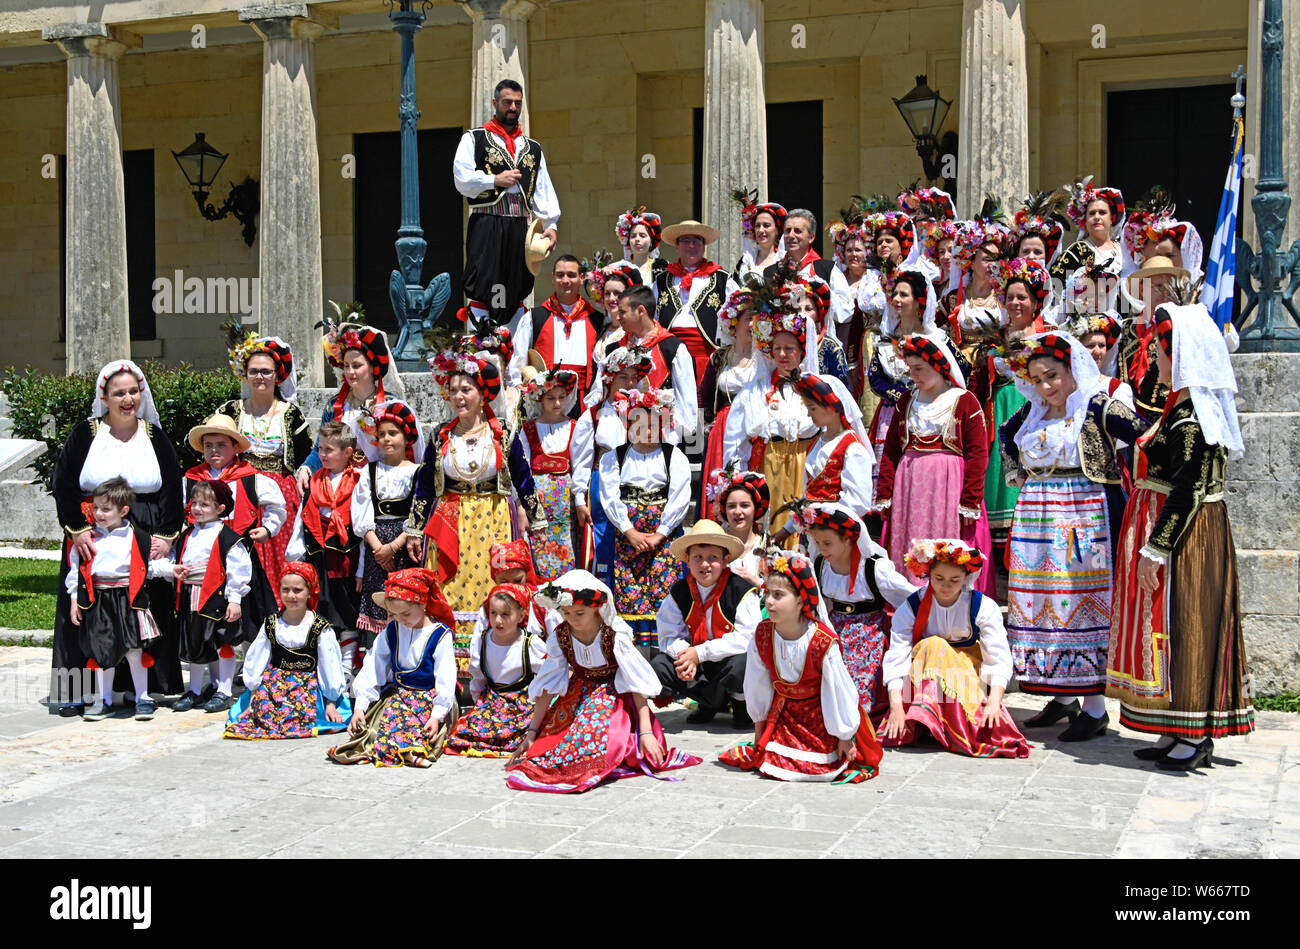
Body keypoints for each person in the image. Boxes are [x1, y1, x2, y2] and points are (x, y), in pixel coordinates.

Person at [1106, 304, 1255, 770]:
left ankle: (1194, 732)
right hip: (1185, 530)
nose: (1156, 363)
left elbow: (1189, 487)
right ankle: (1176, 725)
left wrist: (1156, 547)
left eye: (1162, 354)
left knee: (1188, 621)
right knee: (1171, 622)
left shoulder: (1191, 417)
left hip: (1190, 535)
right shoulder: (1182, 407)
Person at [1001, 333, 1149, 740]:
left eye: (1052, 376)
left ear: (1072, 370)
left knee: (1083, 601)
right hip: (1038, 517)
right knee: (1045, 600)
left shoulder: (1097, 404)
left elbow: (1143, 432)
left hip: (1084, 515)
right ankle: (1062, 696)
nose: (1046, 387)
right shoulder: (1031, 414)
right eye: (1037, 379)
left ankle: (1095, 706)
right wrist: (1017, 474)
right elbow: (1006, 437)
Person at [51, 361, 185, 713]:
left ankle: (143, 691)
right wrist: (77, 530)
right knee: (84, 608)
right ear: (105, 397)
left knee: (143, 611)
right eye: (119, 393)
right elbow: (63, 484)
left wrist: (167, 538)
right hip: (92, 529)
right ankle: (77, 691)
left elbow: (172, 489)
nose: (127, 399)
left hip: (144, 531)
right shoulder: (86, 434)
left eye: (132, 391)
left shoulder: (155, 436)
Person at [407, 345, 541, 679]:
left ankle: (492, 667)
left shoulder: (501, 433)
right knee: (448, 588)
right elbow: (424, 483)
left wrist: (535, 520)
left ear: (482, 393)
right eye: (453, 390)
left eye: (466, 389)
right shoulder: (440, 436)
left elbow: (523, 477)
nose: (459, 396)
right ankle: (450, 669)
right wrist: (414, 528)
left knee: (491, 589)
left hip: (492, 520)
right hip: (450, 520)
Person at [506, 570, 702, 792]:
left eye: (579, 613)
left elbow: (635, 683)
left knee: (597, 739)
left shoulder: (615, 634)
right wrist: (532, 734)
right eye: (567, 613)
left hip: (614, 695)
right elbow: (548, 687)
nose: (572, 619)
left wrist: (645, 732)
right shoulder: (561, 636)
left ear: (597, 610)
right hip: (577, 695)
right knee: (553, 745)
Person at [718, 549, 884, 783]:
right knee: (770, 763)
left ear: (800, 600)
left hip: (822, 715)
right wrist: (759, 728)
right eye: (767, 594)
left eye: (778, 595)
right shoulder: (763, 634)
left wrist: (844, 735)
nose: (769, 602)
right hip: (783, 714)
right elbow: (757, 684)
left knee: (817, 768)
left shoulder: (822, 641)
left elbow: (838, 691)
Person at [880, 538, 1030, 757]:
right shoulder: (912, 605)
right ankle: (923, 720)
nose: (946, 586)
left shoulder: (982, 606)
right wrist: (896, 707)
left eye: (955, 580)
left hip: (968, 674)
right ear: (927, 575)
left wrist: (995, 701)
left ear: (966, 578)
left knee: (939, 649)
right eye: (938, 578)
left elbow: (998, 656)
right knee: (933, 646)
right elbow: (897, 655)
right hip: (926, 670)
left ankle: (954, 725)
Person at [875, 335, 996, 598]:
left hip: (948, 487)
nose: (913, 375)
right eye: (910, 369)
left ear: (939, 366)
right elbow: (892, 452)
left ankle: (950, 603)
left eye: (919, 369)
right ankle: (911, 605)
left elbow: (978, 453)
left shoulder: (963, 401)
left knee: (948, 545)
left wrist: (970, 500)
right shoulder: (907, 401)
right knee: (909, 546)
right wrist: (885, 493)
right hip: (910, 488)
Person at [721, 263, 821, 545]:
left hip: (806, 470)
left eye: (789, 349)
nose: (782, 354)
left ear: (802, 351)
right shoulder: (754, 391)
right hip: (769, 471)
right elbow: (735, 443)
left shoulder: (819, 389)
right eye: (777, 348)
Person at [453, 78, 559, 328]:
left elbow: (542, 187)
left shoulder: (533, 148)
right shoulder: (475, 138)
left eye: (517, 103)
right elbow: (462, 178)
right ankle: (480, 349)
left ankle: (514, 346)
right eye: (507, 102)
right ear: (495, 103)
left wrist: (551, 225)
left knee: (517, 281)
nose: (512, 107)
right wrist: (493, 180)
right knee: (483, 280)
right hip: (487, 221)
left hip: (520, 225)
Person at [328, 568, 459, 767]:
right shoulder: (393, 631)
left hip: (431, 699)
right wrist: (360, 706)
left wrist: (437, 715)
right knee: (383, 722)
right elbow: (373, 666)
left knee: (416, 724)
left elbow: (446, 678)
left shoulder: (440, 635)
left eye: (405, 613)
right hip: (399, 696)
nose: (399, 620)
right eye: (393, 615)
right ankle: (391, 749)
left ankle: (411, 749)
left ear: (422, 603)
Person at [795, 502, 917, 715]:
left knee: (853, 690)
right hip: (834, 630)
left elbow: (909, 597)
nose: (822, 549)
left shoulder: (873, 568)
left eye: (827, 543)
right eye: (817, 542)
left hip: (870, 632)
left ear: (847, 538)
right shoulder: (821, 565)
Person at [217, 330, 313, 600]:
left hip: (281, 495)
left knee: (281, 557)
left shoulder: (291, 414)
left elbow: (307, 454)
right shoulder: (230, 411)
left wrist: (304, 472)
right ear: (244, 374)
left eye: (266, 371)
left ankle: (283, 614)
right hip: (241, 492)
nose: (260, 376)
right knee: (239, 556)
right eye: (254, 370)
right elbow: (212, 448)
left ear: (277, 375)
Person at [598, 388, 691, 648]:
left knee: (664, 588)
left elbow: (680, 496)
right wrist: (629, 531)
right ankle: (634, 653)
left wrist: (661, 533)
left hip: (663, 537)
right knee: (630, 591)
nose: (648, 430)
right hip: (629, 538)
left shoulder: (674, 455)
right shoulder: (614, 457)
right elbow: (609, 497)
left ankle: (666, 652)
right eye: (640, 424)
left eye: (654, 424)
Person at [154, 480, 257, 714]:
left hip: (216, 596)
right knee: (195, 642)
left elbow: (238, 570)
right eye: (195, 503)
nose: (197, 509)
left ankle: (225, 689)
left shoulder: (228, 537)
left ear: (220, 508)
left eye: (205, 505)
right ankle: (196, 690)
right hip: (190, 595)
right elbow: (174, 560)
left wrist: (235, 599)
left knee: (222, 642)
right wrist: (168, 569)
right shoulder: (187, 535)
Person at [65, 478, 162, 721]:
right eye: (96, 507)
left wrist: (172, 571)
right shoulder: (88, 538)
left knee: (133, 650)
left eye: (106, 509)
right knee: (102, 651)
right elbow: (75, 570)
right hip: (98, 601)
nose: (99, 513)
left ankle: (143, 697)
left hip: (128, 599)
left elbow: (148, 567)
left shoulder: (136, 537)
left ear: (124, 510)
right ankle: (104, 700)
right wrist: (75, 598)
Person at [651, 519, 761, 727]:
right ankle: (706, 704)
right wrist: (686, 657)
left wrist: (700, 653)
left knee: (743, 663)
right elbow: (668, 634)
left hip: (726, 660)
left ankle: (741, 706)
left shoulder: (741, 590)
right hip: (697, 661)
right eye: (698, 558)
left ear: (726, 559)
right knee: (661, 666)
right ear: (687, 559)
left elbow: (749, 637)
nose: (705, 564)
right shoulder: (679, 592)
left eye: (713, 558)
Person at [224, 562, 352, 739]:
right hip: (273, 687)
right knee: (260, 717)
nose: (291, 595)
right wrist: (254, 695)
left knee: (302, 717)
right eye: (286, 590)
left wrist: (331, 702)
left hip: (308, 687)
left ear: (310, 591)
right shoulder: (272, 624)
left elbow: (329, 666)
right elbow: (257, 660)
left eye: (297, 590)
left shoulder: (320, 628)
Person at [183, 414, 286, 629]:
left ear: (235, 447)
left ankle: (250, 660)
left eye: (221, 444)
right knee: (205, 621)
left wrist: (268, 529)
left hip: (240, 557)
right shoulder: (191, 479)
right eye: (208, 445)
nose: (214, 450)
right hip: (202, 561)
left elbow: (277, 506)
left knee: (249, 618)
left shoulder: (250, 477)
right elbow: (177, 512)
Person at [982, 257, 1051, 549]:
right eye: (1010, 297)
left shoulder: (1049, 335)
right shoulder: (997, 335)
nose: (1015, 302)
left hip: (1034, 411)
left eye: (1022, 297)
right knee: (999, 471)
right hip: (1001, 410)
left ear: (1035, 301)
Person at [298, 308, 405, 492]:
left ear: (372, 368)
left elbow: (402, 450)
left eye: (357, 366)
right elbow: (320, 448)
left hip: (379, 487)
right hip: (339, 488)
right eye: (346, 366)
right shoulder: (334, 406)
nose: (349, 372)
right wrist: (306, 468)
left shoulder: (389, 404)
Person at [286, 421, 363, 671]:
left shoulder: (359, 481)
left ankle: (347, 666)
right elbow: (302, 518)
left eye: (329, 449)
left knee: (347, 611)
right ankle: (325, 666)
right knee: (324, 610)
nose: (323, 454)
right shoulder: (314, 482)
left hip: (346, 559)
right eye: (320, 449)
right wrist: (295, 555)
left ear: (347, 453)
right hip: (318, 556)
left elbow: (363, 523)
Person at [865, 264, 946, 501]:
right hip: (892, 415)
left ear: (919, 300)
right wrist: (902, 395)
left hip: (929, 412)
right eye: (895, 294)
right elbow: (875, 378)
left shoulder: (938, 339)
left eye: (904, 294)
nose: (897, 299)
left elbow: (958, 371)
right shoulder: (885, 338)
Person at [351, 400, 425, 649]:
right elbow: (361, 514)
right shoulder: (369, 472)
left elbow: (419, 514)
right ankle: (376, 655)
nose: (386, 439)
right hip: (376, 546)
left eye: (392, 433)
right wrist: (379, 549)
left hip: (405, 546)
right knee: (378, 597)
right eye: (381, 434)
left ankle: (406, 651)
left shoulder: (416, 473)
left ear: (406, 438)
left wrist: (392, 548)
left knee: (404, 597)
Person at [577, 344, 653, 585]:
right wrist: (579, 497)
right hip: (602, 484)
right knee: (603, 541)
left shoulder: (647, 413)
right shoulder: (593, 414)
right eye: (623, 376)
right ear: (610, 378)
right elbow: (582, 459)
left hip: (637, 484)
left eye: (634, 377)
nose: (630, 383)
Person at [445, 582, 549, 757]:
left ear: (521, 615)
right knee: (472, 729)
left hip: (521, 706)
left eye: (505, 614)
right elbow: (478, 676)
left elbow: (549, 673)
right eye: (493, 613)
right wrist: (479, 702)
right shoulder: (483, 641)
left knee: (525, 730)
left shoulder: (529, 644)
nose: (498, 620)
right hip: (492, 701)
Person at [653, 219, 739, 415]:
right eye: (685, 240)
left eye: (697, 241)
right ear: (676, 245)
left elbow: (737, 320)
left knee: (702, 412)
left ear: (704, 245)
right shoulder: (661, 281)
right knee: (672, 411)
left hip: (706, 359)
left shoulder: (722, 279)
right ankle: (676, 446)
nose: (691, 246)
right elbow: (654, 320)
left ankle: (699, 446)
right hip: (670, 357)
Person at [518, 369, 593, 580]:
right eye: (551, 398)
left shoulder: (574, 427)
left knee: (567, 544)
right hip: (537, 500)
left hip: (564, 502)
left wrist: (579, 500)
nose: (557, 403)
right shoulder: (529, 429)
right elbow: (521, 468)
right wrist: (522, 505)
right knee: (537, 545)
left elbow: (580, 465)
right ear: (540, 398)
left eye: (561, 397)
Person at [697, 284, 758, 517]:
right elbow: (704, 394)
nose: (753, 325)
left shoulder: (767, 358)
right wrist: (708, 426)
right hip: (722, 430)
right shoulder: (720, 357)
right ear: (735, 322)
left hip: (755, 428)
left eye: (757, 319)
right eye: (748, 318)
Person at [616, 285, 698, 446]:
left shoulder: (673, 348)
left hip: (662, 439)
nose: (618, 317)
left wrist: (673, 441)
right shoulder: (617, 349)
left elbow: (686, 402)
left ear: (640, 311)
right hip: (623, 438)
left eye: (622, 312)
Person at [510, 255, 602, 398]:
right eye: (560, 275)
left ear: (582, 278)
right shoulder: (534, 317)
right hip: (545, 399)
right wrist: (517, 386)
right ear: (552, 278)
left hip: (584, 400)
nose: (565, 280)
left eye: (571, 275)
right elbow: (518, 358)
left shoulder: (596, 319)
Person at [792, 372, 873, 518]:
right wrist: (788, 529)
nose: (809, 415)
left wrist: (826, 522)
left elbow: (858, 502)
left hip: (837, 533)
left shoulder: (852, 448)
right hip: (813, 531)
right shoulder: (815, 443)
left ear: (831, 407)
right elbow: (807, 493)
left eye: (813, 408)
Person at [765, 208, 853, 330]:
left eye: (797, 231)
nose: (791, 235)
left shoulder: (827, 269)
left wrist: (821, 290)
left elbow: (846, 313)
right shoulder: (771, 272)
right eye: (787, 231)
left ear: (811, 237)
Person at [827, 216, 874, 400]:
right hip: (840, 338)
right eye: (849, 250)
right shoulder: (837, 280)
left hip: (864, 343)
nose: (853, 254)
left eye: (858, 250)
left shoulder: (873, 281)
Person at [704, 466, 769, 582]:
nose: (738, 512)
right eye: (731, 506)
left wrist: (756, 584)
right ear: (724, 510)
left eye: (745, 505)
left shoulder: (767, 548)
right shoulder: (715, 548)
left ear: (756, 509)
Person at [1058, 176, 1126, 280]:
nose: (1097, 217)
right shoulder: (1076, 252)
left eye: (1102, 212)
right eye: (1092, 213)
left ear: (1111, 218)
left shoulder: (1124, 250)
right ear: (1085, 220)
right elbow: (1056, 287)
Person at [733, 192, 786, 282]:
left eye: (766, 225)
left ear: (777, 230)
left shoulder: (785, 262)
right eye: (758, 225)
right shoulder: (745, 261)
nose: (761, 230)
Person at [615, 207, 668, 288]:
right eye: (633, 236)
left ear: (651, 241)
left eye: (642, 236)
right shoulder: (621, 267)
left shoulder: (662, 267)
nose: (637, 239)